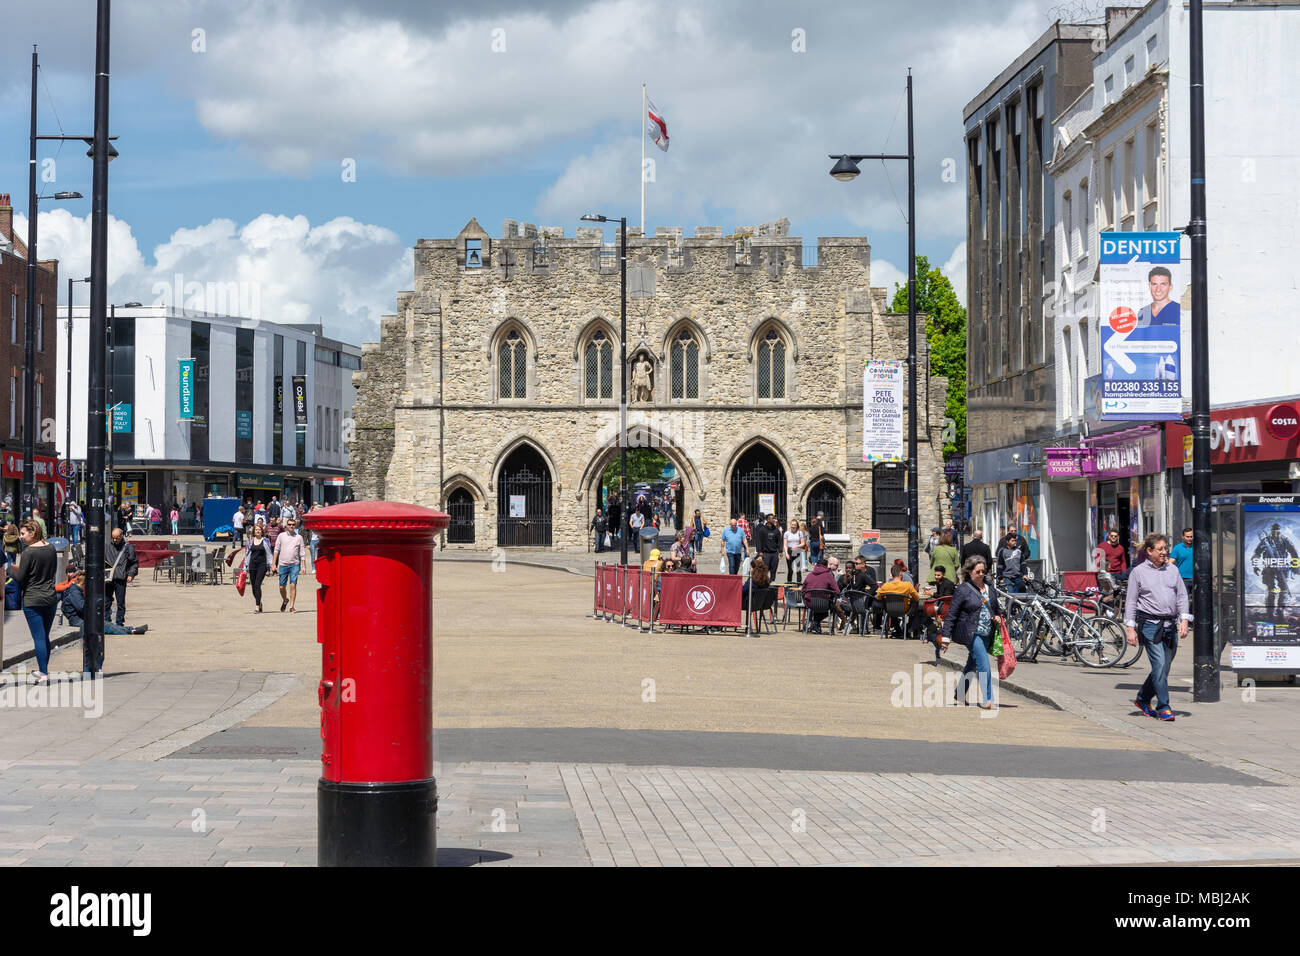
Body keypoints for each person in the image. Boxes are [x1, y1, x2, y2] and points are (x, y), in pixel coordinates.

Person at [1125, 533, 1191, 722]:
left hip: (1170, 624)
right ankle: (1164, 707)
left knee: (1164, 668)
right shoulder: (1138, 572)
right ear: (1149, 551)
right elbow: (1130, 602)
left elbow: (1181, 596)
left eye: (1165, 548)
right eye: (1160, 549)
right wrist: (1130, 628)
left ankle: (1143, 699)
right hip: (1150, 625)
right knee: (1159, 665)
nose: (1164, 552)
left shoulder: (1172, 570)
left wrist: (1184, 620)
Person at [942, 556, 1001, 709]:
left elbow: (996, 609)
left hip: (987, 632)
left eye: (983, 571)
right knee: (984, 665)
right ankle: (988, 699)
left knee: (972, 664)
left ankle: (960, 693)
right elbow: (952, 614)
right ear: (969, 572)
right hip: (971, 633)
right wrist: (946, 637)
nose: (981, 574)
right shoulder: (963, 590)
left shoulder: (990, 588)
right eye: (978, 571)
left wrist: (998, 617)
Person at [12, 519, 58, 682]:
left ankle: (43, 672)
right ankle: (43, 670)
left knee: (38, 637)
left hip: (33, 599)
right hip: (51, 598)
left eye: (23, 534)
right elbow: (52, 571)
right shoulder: (51, 548)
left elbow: (20, 577)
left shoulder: (28, 552)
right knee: (44, 636)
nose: (21, 537)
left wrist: (9, 568)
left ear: (32, 533)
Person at [59, 569, 149, 635]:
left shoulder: (75, 590)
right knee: (105, 625)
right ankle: (131, 631)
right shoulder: (75, 592)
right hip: (77, 621)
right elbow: (81, 607)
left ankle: (131, 629)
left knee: (106, 623)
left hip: (80, 618)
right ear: (82, 584)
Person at [1251, 522, 1299, 621]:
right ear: (1272, 530)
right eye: (1274, 530)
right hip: (1269, 569)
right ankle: (1270, 612)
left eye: (1277, 530)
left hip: (1282, 568)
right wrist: (1255, 566)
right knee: (1271, 591)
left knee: (1284, 590)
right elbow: (1257, 553)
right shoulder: (1265, 540)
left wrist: (1296, 567)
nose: (1276, 532)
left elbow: (1294, 554)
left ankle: (1280, 609)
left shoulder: (1285, 540)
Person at [104, 527, 139, 627]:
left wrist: (131, 574)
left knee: (121, 603)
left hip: (120, 579)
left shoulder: (128, 548)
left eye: (117, 538)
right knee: (106, 602)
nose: (114, 540)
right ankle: (106, 621)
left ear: (121, 536)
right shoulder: (107, 546)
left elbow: (134, 563)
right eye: (113, 538)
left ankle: (119, 623)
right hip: (108, 579)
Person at [874, 563, 921, 638]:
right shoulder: (907, 585)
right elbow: (917, 598)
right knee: (916, 604)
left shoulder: (885, 586)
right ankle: (908, 628)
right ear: (901, 574)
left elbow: (878, 597)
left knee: (891, 605)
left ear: (891, 575)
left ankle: (898, 630)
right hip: (905, 610)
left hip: (890, 609)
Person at [800, 557, 840, 634]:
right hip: (824, 603)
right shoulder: (829, 575)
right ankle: (815, 622)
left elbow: (803, 589)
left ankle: (814, 624)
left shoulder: (810, 575)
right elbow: (837, 591)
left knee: (818, 607)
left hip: (809, 603)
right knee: (833, 607)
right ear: (826, 566)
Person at [241, 522, 275, 613]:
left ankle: (256, 607)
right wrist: (245, 567)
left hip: (262, 565)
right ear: (254, 531)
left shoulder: (265, 540)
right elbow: (247, 554)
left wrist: (272, 565)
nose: (258, 531)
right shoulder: (250, 541)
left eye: (259, 530)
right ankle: (259, 603)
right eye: (256, 530)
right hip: (252, 565)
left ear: (262, 531)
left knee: (257, 584)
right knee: (253, 587)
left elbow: (269, 554)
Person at [755, 514, 783, 583]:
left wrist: (780, 551)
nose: (773, 520)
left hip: (774, 554)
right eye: (771, 518)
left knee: (773, 570)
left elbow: (779, 541)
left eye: (773, 518)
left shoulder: (776, 530)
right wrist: (759, 551)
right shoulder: (762, 529)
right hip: (765, 553)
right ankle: (764, 584)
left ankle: (772, 584)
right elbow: (758, 541)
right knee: (765, 571)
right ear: (767, 520)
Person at [783, 518, 807, 585]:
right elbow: (785, 544)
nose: (793, 526)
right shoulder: (786, 533)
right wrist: (786, 553)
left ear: (797, 526)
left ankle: (799, 583)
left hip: (797, 551)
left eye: (795, 525)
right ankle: (789, 583)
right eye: (792, 525)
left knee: (798, 569)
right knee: (790, 570)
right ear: (790, 525)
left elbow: (803, 543)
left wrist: (796, 546)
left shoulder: (800, 533)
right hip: (789, 551)